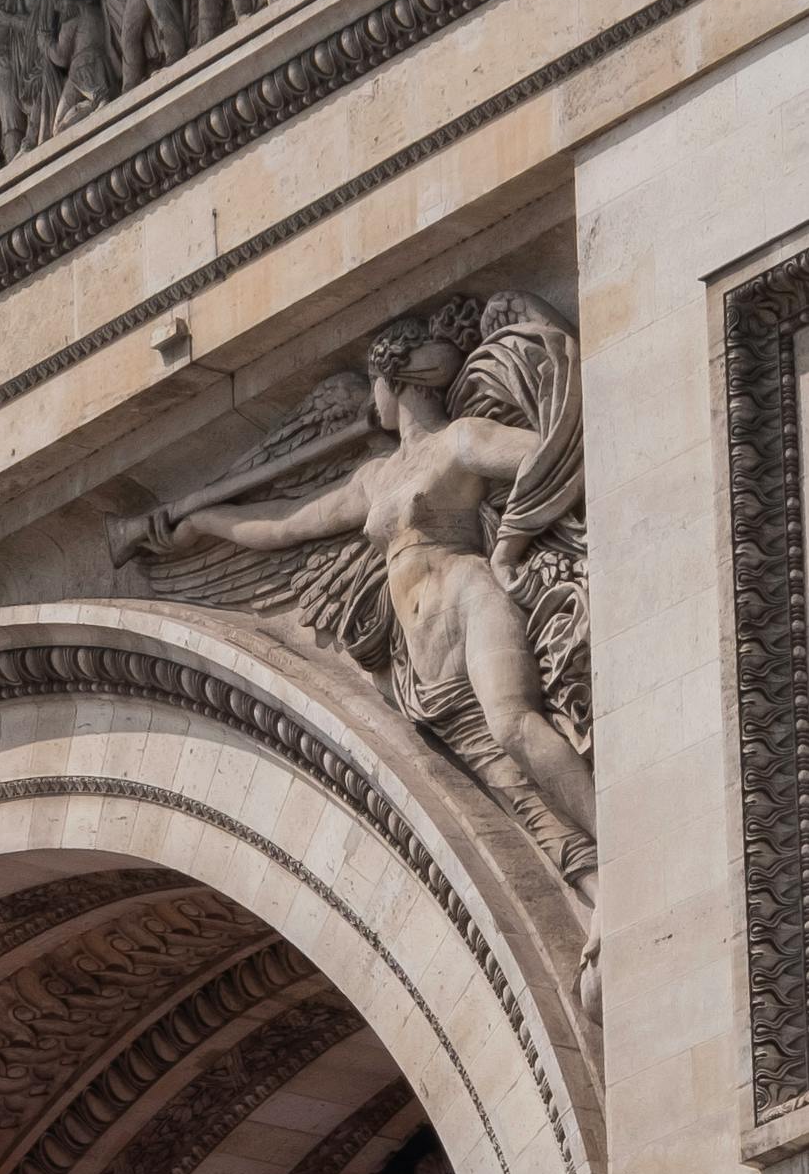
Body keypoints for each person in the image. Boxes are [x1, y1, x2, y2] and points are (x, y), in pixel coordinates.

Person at [134, 302, 594, 870]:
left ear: (392, 380)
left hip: (469, 594)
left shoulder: (460, 441)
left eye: (373, 384)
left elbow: (546, 454)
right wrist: (200, 523)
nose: (368, 401)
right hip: (419, 655)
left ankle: (614, 840)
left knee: (515, 726)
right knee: (511, 787)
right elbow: (284, 523)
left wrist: (509, 546)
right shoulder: (374, 476)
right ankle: (594, 881)